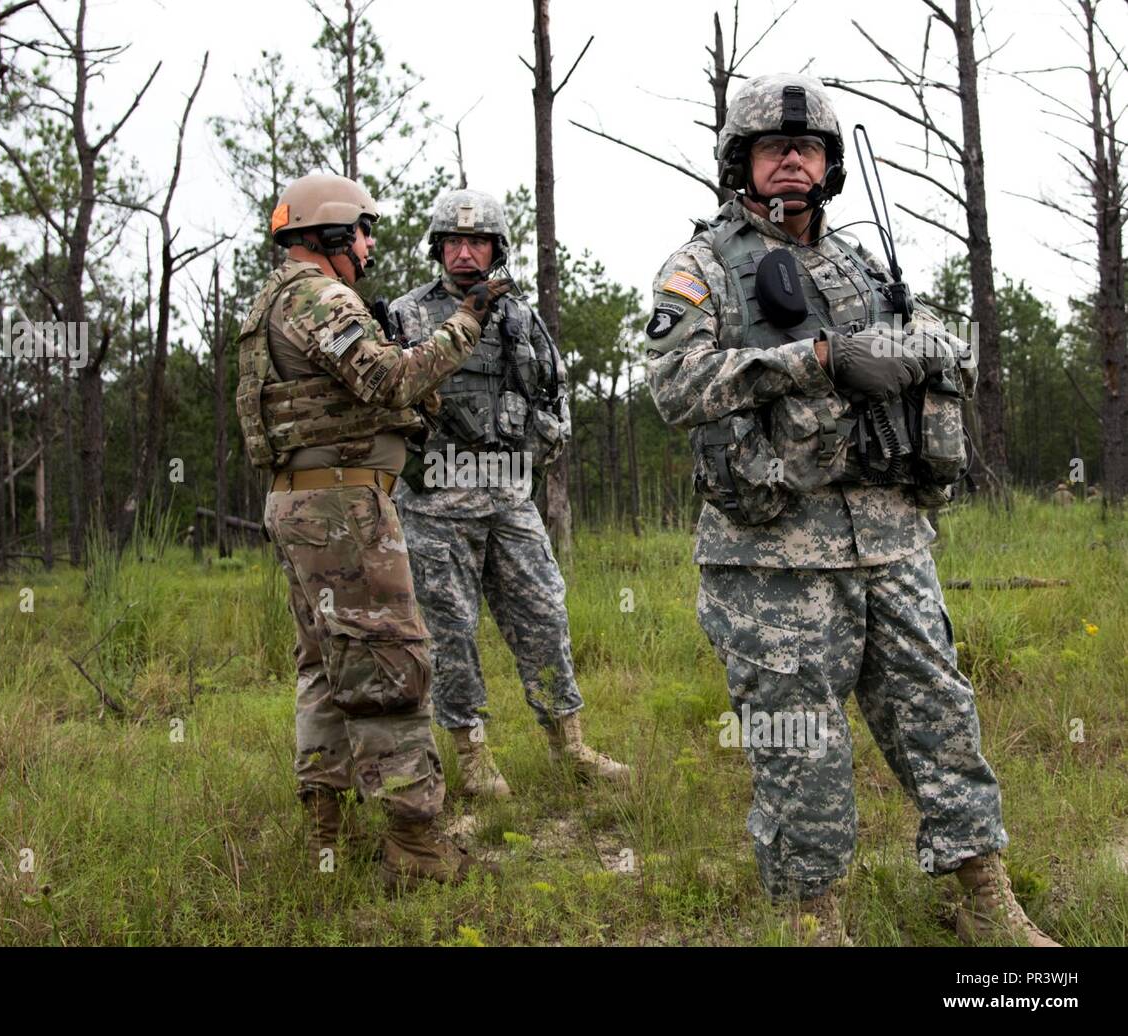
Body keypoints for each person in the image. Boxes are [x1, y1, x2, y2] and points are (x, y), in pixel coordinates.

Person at [644, 74, 1058, 946]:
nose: (791, 162)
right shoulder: (703, 267)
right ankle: (813, 921)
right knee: (801, 749)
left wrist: (917, 351)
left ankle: (982, 894)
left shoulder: (865, 264)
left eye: (809, 150)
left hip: (892, 536)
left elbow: (940, 342)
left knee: (940, 716)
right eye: (772, 149)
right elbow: (675, 387)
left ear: (829, 167)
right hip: (771, 553)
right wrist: (822, 359)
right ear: (742, 165)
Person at [235, 172, 511, 890]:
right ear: (326, 234)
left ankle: (325, 828)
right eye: (360, 230)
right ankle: (416, 848)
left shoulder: (272, 300)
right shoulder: (317, 294)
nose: (367, 244)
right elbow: (392, 381)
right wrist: (468, 322)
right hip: (343, 513)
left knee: (327, 670)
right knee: (391, 664)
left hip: (304, 502)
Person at [388, 189, 630, 797]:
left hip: (507, 501)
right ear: (438, 249)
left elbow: (554, 395)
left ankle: (569, 747)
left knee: (544, 616)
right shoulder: (407, 315)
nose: (465, 253)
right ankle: (472, 758)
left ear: (496, 249)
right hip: (435, 508)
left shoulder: (519, 316)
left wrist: (527, 460)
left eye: (478, 243)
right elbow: (385, 400)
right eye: (454, 242)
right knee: (450, 634)